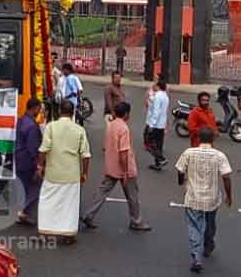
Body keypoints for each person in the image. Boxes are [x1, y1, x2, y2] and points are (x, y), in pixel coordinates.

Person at [82, 102, 151, 232]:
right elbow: (123, 152)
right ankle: (136, 221)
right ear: (126, 114)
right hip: (125, 168)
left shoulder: (111, 125)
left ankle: (88, 215)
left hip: (111, 165)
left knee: (102, 192)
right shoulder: (123, 128)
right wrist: (125, 172)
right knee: (132, 195)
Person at [175, 127, 233, 273]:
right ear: (213, 139)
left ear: (199, 138)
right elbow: (226, 177)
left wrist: (181, 181)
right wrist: (229, 195)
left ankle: (197, 257)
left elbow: (180, 170)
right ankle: (208, 244)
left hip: (193, 197)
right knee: (210, 223)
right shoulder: (219, 155)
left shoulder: (189, 153)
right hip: (212, 198)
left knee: (194, 226)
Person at [36, 100, 92, 243]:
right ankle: (68, 235)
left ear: (60, 111)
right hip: (71, 174)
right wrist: (84, 173)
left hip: (52, 172)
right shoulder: (79, 130)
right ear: (73, 112)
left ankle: (44, 232)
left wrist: (40, 166)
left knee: (47, 202)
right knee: (70, 205)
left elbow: (43, 149)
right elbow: (85, 155)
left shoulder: (51, 127)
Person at [14, 98, 43, 226]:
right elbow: (33, 147)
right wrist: (38, 165)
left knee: (24, 187)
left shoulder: (20, 120)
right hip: (27, 160)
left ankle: (22, 212)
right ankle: (23, 212)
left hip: (19, 157)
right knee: (35, 187)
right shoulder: (32, 125)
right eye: (39, 109)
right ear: (35, 108)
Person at [144, 78, 169, 170]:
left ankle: (161, 159)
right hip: (161, 124)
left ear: (158, 86)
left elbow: (156, 111)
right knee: (158, 144)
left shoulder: (158, 96)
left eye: (155, 85)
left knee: (149, 142)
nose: (153, 86)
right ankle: (158, 163)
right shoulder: (165, 96)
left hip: (156, 124)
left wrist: (151, 125)